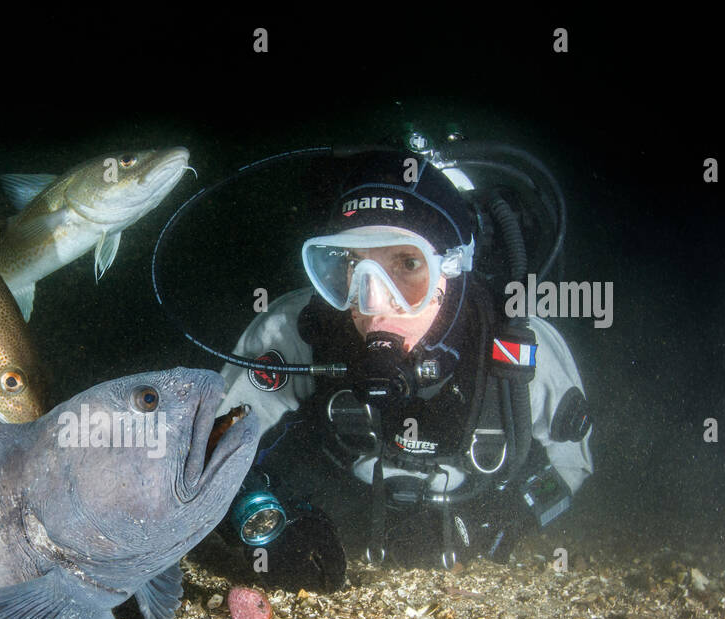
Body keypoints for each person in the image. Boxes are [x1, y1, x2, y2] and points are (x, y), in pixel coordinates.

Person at [196, 150, 593, 591]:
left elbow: (572, 463)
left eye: (407, 265)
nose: (372, 303)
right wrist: (259, 518)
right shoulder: (296, 333)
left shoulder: (518, 347)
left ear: (453, 268)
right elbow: (213, 445)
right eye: (350, 265)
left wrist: (506, 522)